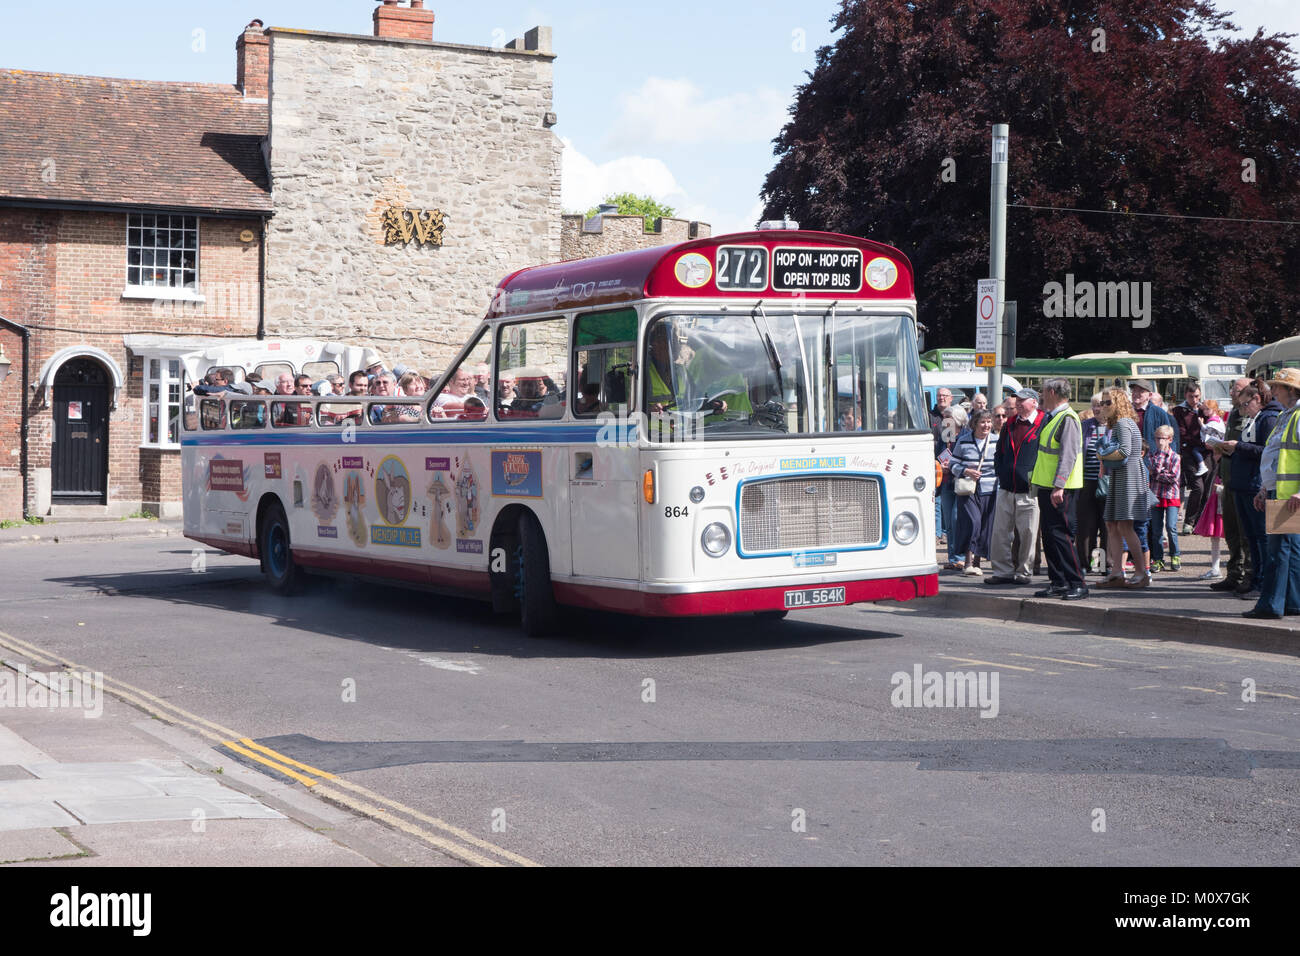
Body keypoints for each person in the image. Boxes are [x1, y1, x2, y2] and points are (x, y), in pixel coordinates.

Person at [1242, 368, 1300, 619]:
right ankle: (1293, 602)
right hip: (1281, 491)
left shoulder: (1296, 416)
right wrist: (1265, 488)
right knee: (1291, 550)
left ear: (1291, 390)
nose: (1272, 391)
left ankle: (1271, 605)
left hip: (1289, 494)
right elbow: (1275, 457)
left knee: (1278, 551)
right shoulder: (1288, 415)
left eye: (1277, 387)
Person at [1029, 378, 1087, 599]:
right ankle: (1058, 581)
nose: (1041, 396)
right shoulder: (1054, 417)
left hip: (1060, 488)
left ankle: (1077, 582)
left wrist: (1059, 486)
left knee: (1061, 536)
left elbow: (1068, 455)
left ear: (1052, 392)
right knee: (1051, 536)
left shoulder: (1068, 418)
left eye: (1043, 391)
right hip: (1047, 486)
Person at [1225, 385, 1279, 598]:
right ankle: (1255, 579)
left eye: (1246, 404)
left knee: (1260, 538)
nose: (1244, 409)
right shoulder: (1254, 419)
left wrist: (1238, 446)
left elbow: (1267, 451)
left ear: (1257, 398)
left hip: (1255, 484)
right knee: (1252, 536)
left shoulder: (1268, 419)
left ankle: (1262, 582)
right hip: (1243, 484)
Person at [986, 388, 1043, 585]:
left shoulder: (1043, 423)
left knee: (1028, 533)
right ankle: (1002, 571)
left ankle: (1024, 571)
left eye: (1022, 400)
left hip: (1029, 489)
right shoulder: (1010, 423)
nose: (1018, 403)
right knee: (1000, 532)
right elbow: (999, 452)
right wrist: (1000, 470)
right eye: (1016, 400)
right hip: (1007, 486)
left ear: (1034, 402)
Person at [1097, 386, 1149, 588]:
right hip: (1121, 476)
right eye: (1102, 402)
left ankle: (1141, 572)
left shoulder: (1123, 423)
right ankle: (1117, 572)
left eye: (1108, 402)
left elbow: (1125, 451)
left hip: (1129, 477)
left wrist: (1102, 455)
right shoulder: (1118, 424)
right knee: (1112, 524)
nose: (1104, 406)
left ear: (1119, 403)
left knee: (1125, 526)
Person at [1210, 377, 1254, 592]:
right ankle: (1233, 573)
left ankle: (1248, 575)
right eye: (1232, 390)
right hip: (1228, 479)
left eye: (1237, 390)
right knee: (1230, 529)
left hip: (1244, 481)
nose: (1232, 394)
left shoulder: (1254, 417)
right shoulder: (1233, 414)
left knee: (1245, 531)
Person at [950, 409, 997, 576]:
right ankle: (967, 562)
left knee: (985, 526)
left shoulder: (996, 441)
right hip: (968, 490)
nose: (986, 425)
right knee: (973, 522)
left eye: (989, 422)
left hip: (990, 489)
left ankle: (977, 562)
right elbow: (952, 464)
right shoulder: (963, 441)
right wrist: (965, 471)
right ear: (974, 423)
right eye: (983, 422)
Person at [1076, 392, 1109, 574]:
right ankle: (1085, 562)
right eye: (1094, 405)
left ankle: (1102, 564)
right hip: (1086, 481)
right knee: (1086, 525)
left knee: (1106, 526)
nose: (1097, 409)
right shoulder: (1084, 426)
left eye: (1101, 405)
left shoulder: (1115, 427)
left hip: (1108, 483)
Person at [1172, 381, 1210, 533]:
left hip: (1207, 452)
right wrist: (1200, 442)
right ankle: (1189, 521)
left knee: (1207, 488)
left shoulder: (1204, 408)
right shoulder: (1179, 411)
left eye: (1197, 396)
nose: (1194, 400)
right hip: (1189, 453)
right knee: (1197, 487)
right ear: (1185, 396)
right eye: (1191, 397)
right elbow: (1182, 433)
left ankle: (1200, 521)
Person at [1194, 415, 1227, 579]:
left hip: (1224, 501)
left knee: (1229, 534)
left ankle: (1230, 567)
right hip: (1216, 500)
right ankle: (1215, 568)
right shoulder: (1216, 467)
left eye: (1216, 452)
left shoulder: (1226, 467)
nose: (1213, 455)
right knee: (1215, 536)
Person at [937, 404, 969, 570]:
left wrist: (954, 466)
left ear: (956, 419)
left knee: (958, 519)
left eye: (947, 417)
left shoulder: (966, 435)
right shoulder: (945, 435)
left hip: (961, 482)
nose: (944, 420)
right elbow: (938, 454)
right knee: (949, 522)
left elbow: (969, 457)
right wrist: (940, 465)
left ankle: (961, 557)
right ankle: (953, 558)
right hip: (946, 482)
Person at [1147, 424, 1182, 572]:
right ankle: (1158, 558)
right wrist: (1159, 468)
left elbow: (1173, 477)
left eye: (1163, 438)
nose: (1160, 442)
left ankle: (1175, 555)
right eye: (1157, 438)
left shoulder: (1175, 457)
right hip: (1156, 495)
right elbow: (1152, 470)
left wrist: (1157, 474)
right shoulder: (1152, 455)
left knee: (1171, 527)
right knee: (1156, 530)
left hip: (1171, 495)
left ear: (1170, 439)